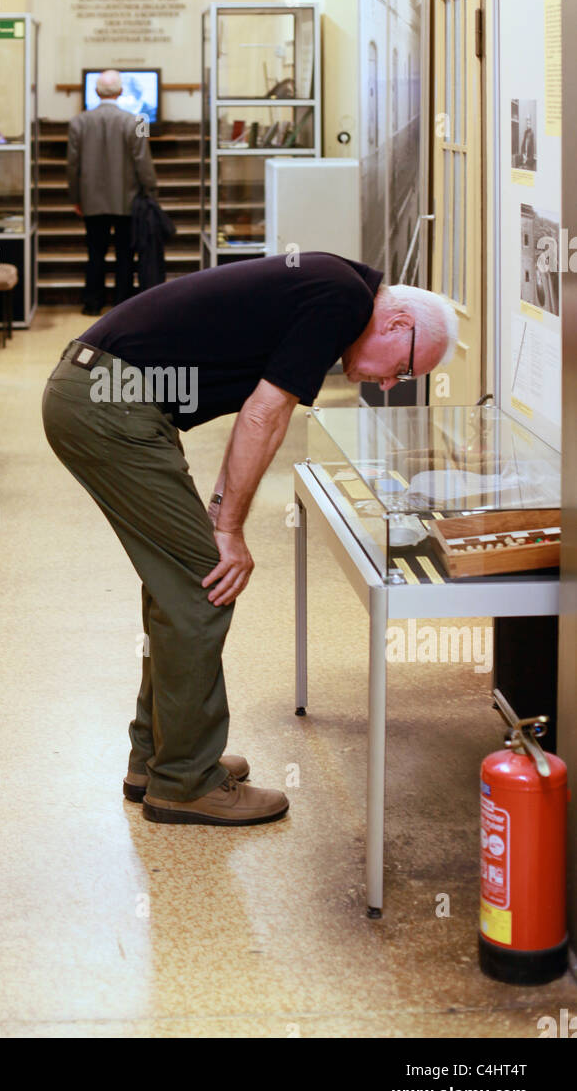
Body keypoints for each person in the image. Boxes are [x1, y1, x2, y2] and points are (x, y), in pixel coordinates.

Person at [42, 253, 458, 828]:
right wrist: (228, 529)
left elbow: (263, 415)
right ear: (398, 324)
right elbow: (264, 415)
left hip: (102, 393)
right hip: (108, 404)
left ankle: (159, 757)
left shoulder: (336, 288)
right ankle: (186, 781)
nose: (390, 383)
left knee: (178, 582)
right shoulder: (343, 301)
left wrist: (220, 513)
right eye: (405, 370)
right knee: (203, 583)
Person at [67, 69, 159, 315]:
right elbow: (144, 162)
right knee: (125, 254)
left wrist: (75, 198)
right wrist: (150, 191)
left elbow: (72, 165)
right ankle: (123, 305)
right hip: (128, 200)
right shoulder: (138, 121)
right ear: (121, 91)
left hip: (90, 201)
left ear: (96, 92)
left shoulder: (77, 122)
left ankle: (92, 303)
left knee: (95, 252)